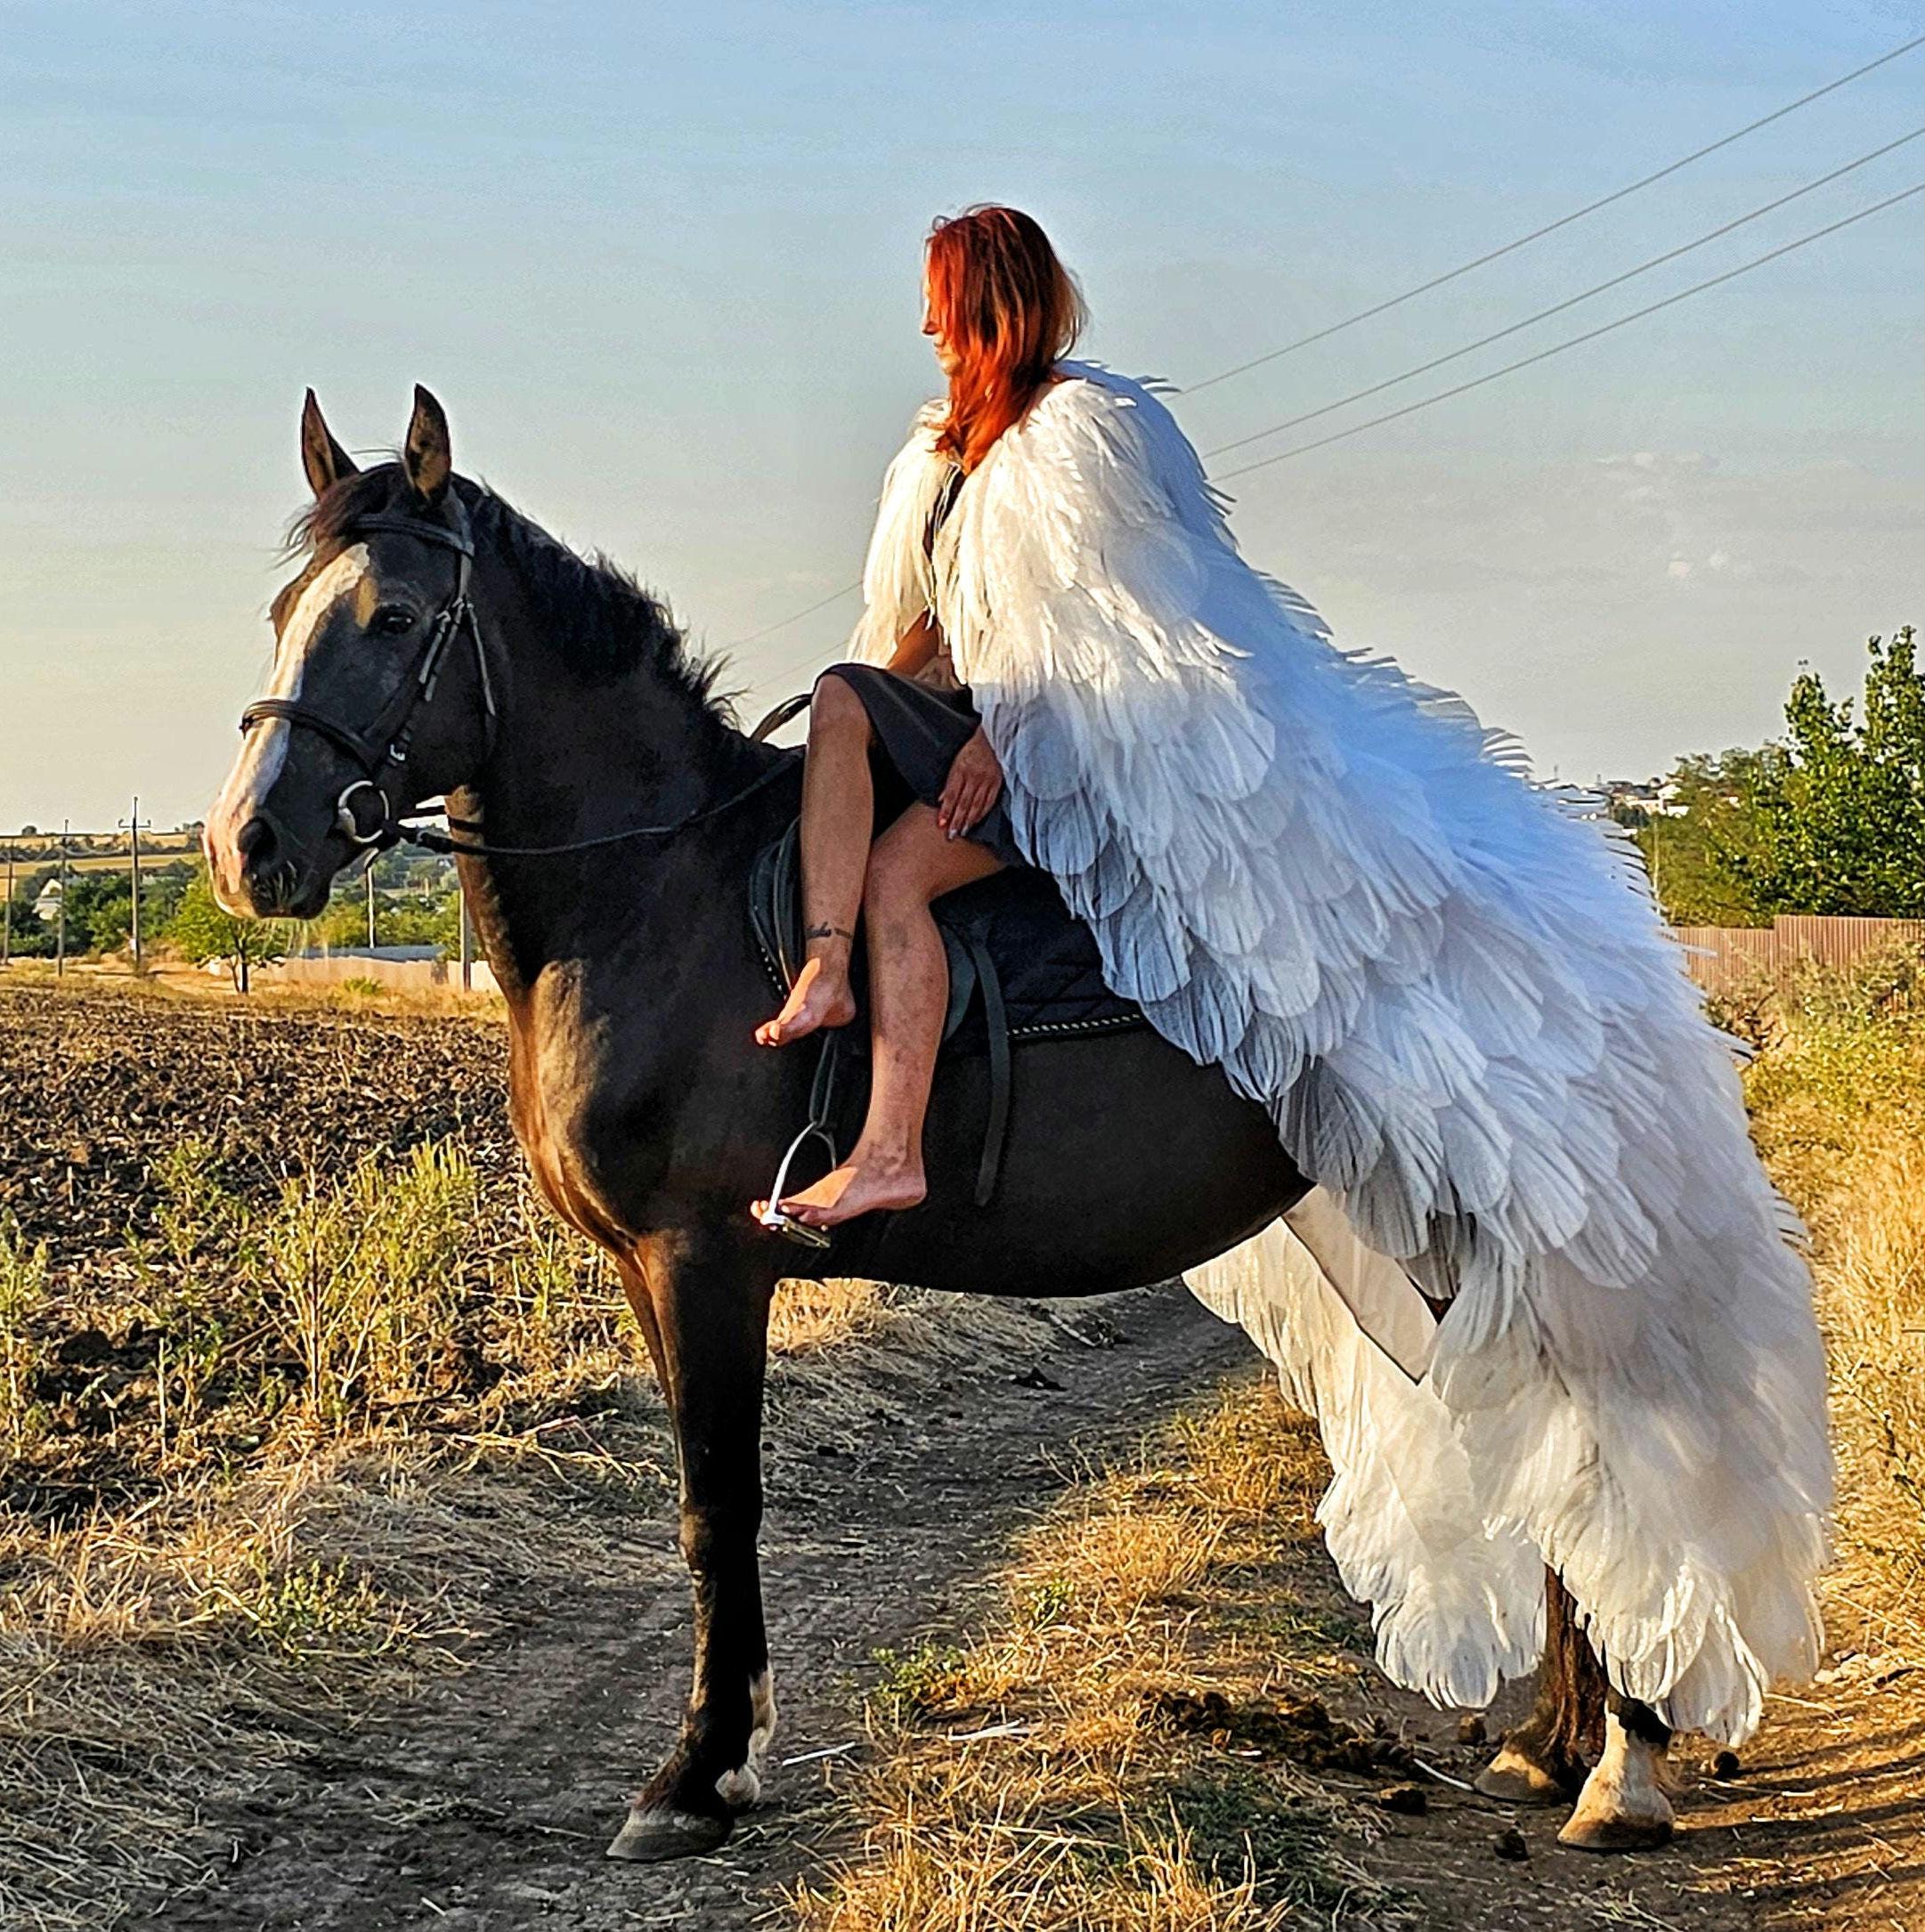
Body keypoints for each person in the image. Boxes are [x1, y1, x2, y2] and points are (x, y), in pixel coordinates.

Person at [751, 203, 1830, 1752]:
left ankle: (1630, 1705)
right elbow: (912, 647)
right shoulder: (930, 469)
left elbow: (1141, 634)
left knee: (1496, 1230)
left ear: (990, 307)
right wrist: (926, 723)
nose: (926, 332)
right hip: (973, 768)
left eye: (942, 306)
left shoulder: (1085, 437)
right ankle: (859, 1050)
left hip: (1107, 766)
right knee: (867, 774)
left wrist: (1013, 735)